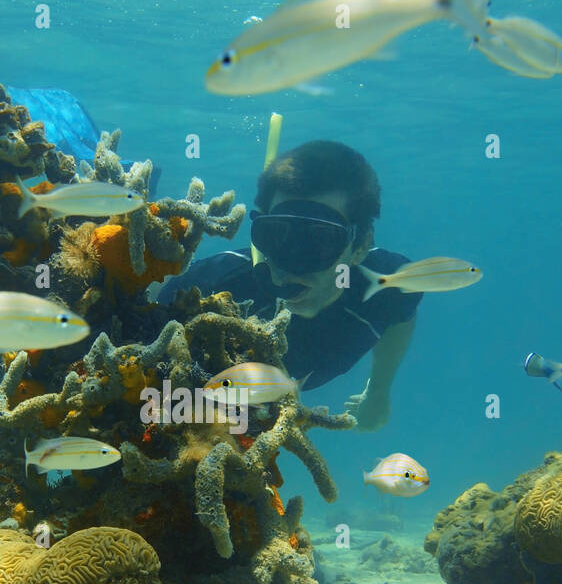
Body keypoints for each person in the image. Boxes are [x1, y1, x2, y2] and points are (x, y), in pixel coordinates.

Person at [156, 140, 421, 432]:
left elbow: (402, 313)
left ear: (361, 246)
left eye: (319, 240)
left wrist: (378, 392)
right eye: (276, 235)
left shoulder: (390, 282)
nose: (290, 264)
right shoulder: (214, 286)